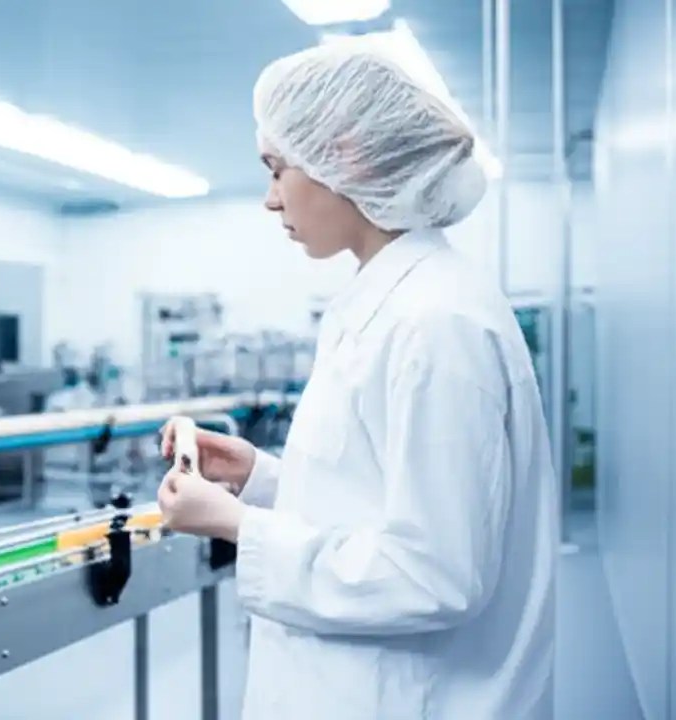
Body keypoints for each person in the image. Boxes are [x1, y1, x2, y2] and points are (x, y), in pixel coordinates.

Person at [156, 43, 558, 719]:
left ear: (349, 158)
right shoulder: (394, 304)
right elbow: (378, 499)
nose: (269, 198)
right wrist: (259, 477)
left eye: (277, 168)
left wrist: (240, 528)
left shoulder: (434, 324)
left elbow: (434, 575)